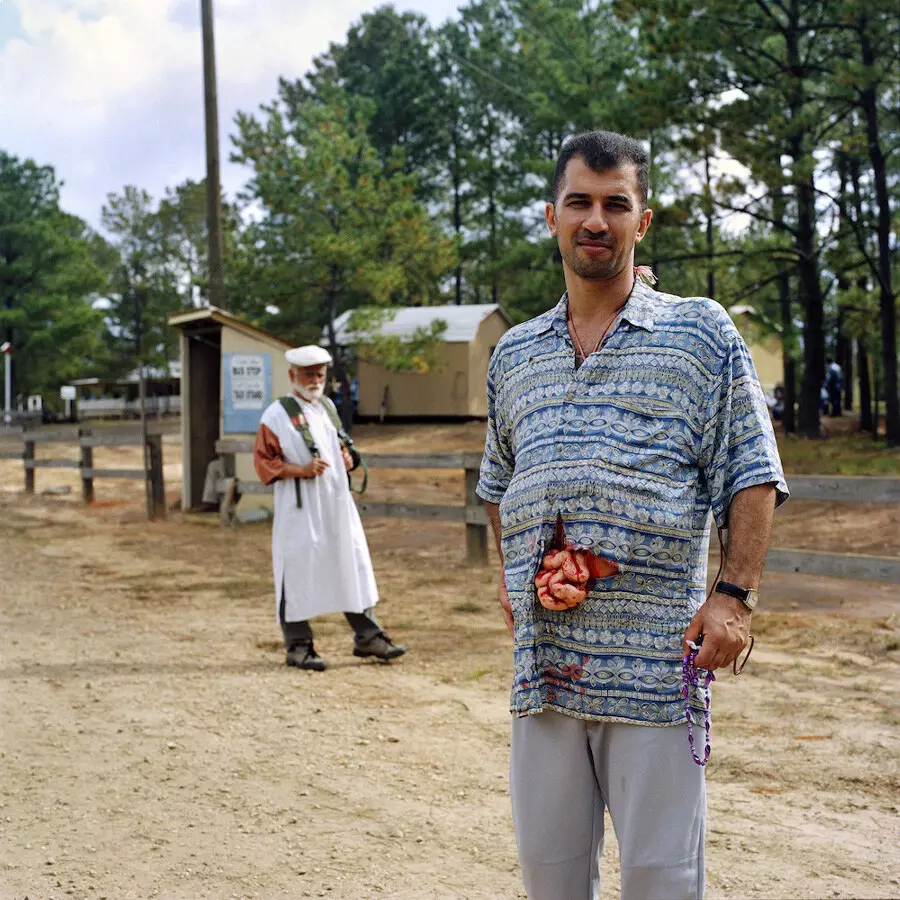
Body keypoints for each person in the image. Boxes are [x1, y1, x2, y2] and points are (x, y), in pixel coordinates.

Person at [476, 131, 788, 900]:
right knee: (549, 878)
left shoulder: (699, 334)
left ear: (641, 224)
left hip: (655, 671)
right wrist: (512, 582)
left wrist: (734, 595)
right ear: (551, 216)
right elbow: (498, 482)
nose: (596, 219)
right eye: (579, 201)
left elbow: (752, 470)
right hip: (545, 673)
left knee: (661, 880)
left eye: (617, 204)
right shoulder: (515, 353)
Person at [253, 346, 405, 671]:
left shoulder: (327, 408)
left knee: (350, 563)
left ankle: (368, 635)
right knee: (295, 568)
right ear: (293, 375)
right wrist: (301, 470)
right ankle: (297, 645)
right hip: (299, 508)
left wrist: (348, 459)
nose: (316, 379)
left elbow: (339, 447)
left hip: (336, 504)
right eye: (309, 373)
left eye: (320, 373)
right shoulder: (276, 415)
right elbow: (264, 463)